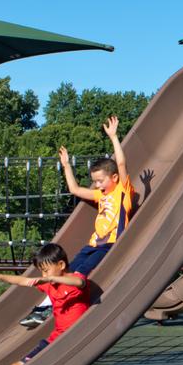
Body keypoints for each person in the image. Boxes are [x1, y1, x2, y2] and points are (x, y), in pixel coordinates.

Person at [59, 115, 137, 276]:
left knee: (82, 270)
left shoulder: (122, 192)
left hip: (110, 244)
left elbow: (121, 164)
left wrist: (113, 137)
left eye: (100, 181)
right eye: (95, 181)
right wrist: (66, 166)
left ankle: (76, 287)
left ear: (114, 178)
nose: (97, 185)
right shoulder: (100, 195)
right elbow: (75, 190)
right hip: (93, 243)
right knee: (68, 270)